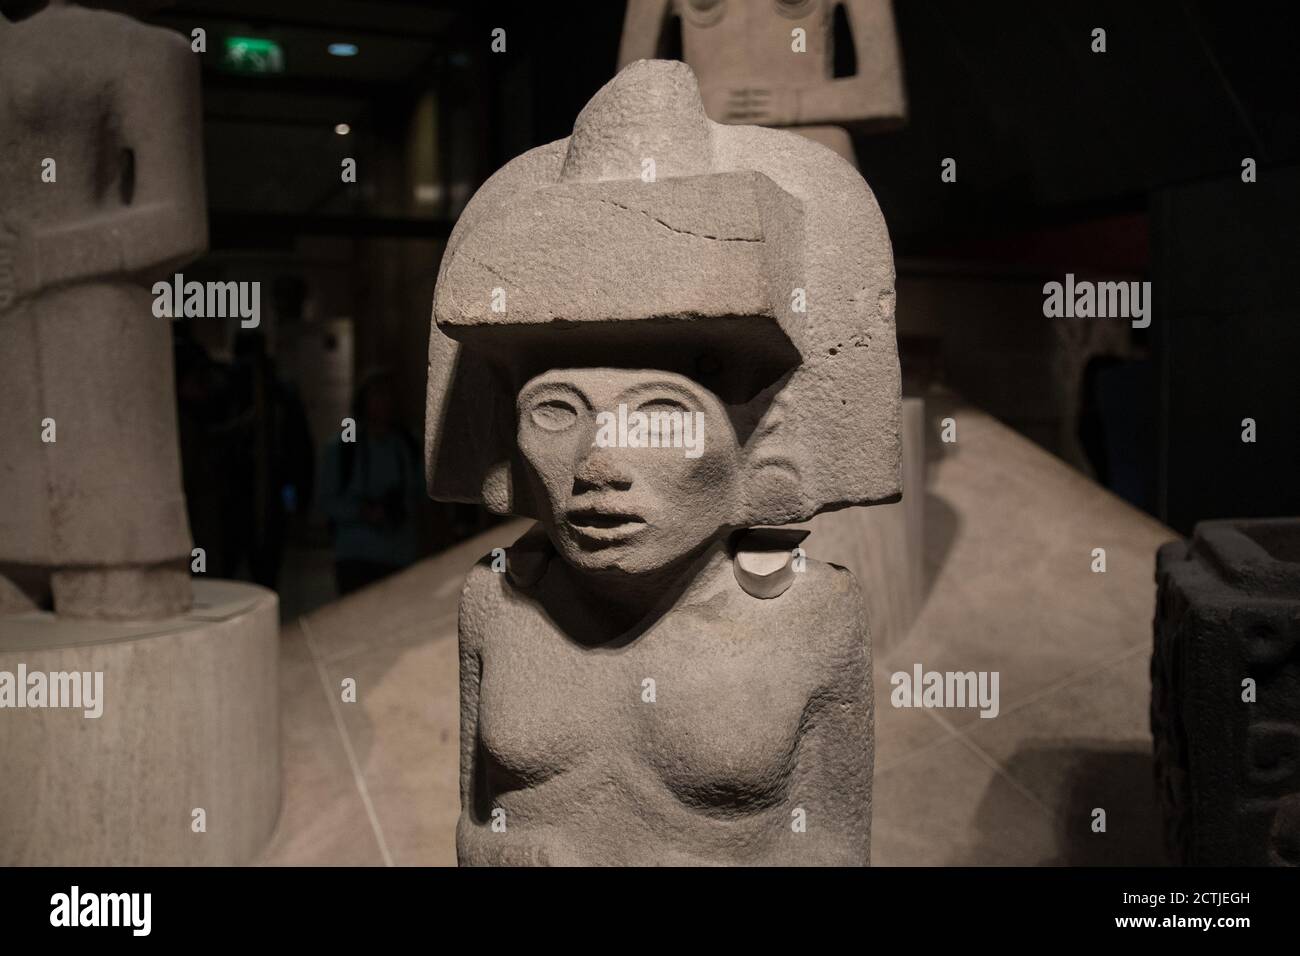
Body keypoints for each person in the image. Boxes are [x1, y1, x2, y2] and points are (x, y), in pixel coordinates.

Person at [319, 370, 423, 595]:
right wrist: (363, 512)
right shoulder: (343, 448)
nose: (384, 402)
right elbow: (326, 500)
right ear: (363, 400)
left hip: (398, 555)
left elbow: (420, 496)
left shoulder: (408, 446)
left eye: (388, 395)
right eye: (377, 395)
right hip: (356, 556)